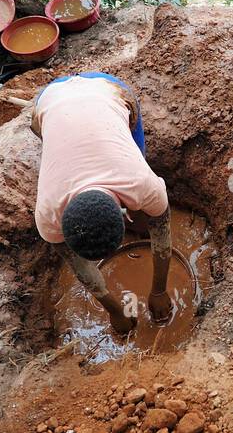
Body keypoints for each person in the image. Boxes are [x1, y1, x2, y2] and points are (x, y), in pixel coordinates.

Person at [31, 71, 173, 334]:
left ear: (123, 214)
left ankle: (136, 213)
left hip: (109, 89)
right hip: (48, 100)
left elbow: (163, 237)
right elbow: (82, 270)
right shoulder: (47, 215)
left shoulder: (141, 182)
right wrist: (115, 310)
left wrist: (159, 290)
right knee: (52, 135)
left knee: (136, 152)